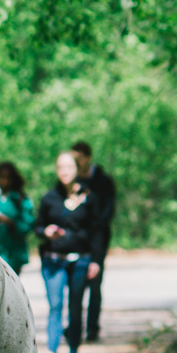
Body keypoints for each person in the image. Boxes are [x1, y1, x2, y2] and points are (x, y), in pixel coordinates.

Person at [34, 151, 106, 353]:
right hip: (54, 261)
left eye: (69, 167)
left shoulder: (89, 198)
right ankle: (52, 352)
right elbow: (37, 227)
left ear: (77, 170)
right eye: (60, 167)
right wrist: (46, 231)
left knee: (76, 308)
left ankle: (74, 352)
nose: (64, 171)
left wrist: (96, 260)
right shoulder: (49, 198)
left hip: (81, 261)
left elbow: (97, 232)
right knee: (55, 305)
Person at [71, 141, 116, 342]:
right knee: (76, 284)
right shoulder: (72, 182)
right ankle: (75, 327)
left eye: (79, 158)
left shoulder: (104, 181)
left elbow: (109, 210)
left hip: (98, 238)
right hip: (78, 240)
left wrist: (95, 226)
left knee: (94, 282)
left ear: (87, 158)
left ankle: (92, 328)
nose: (77, 162)